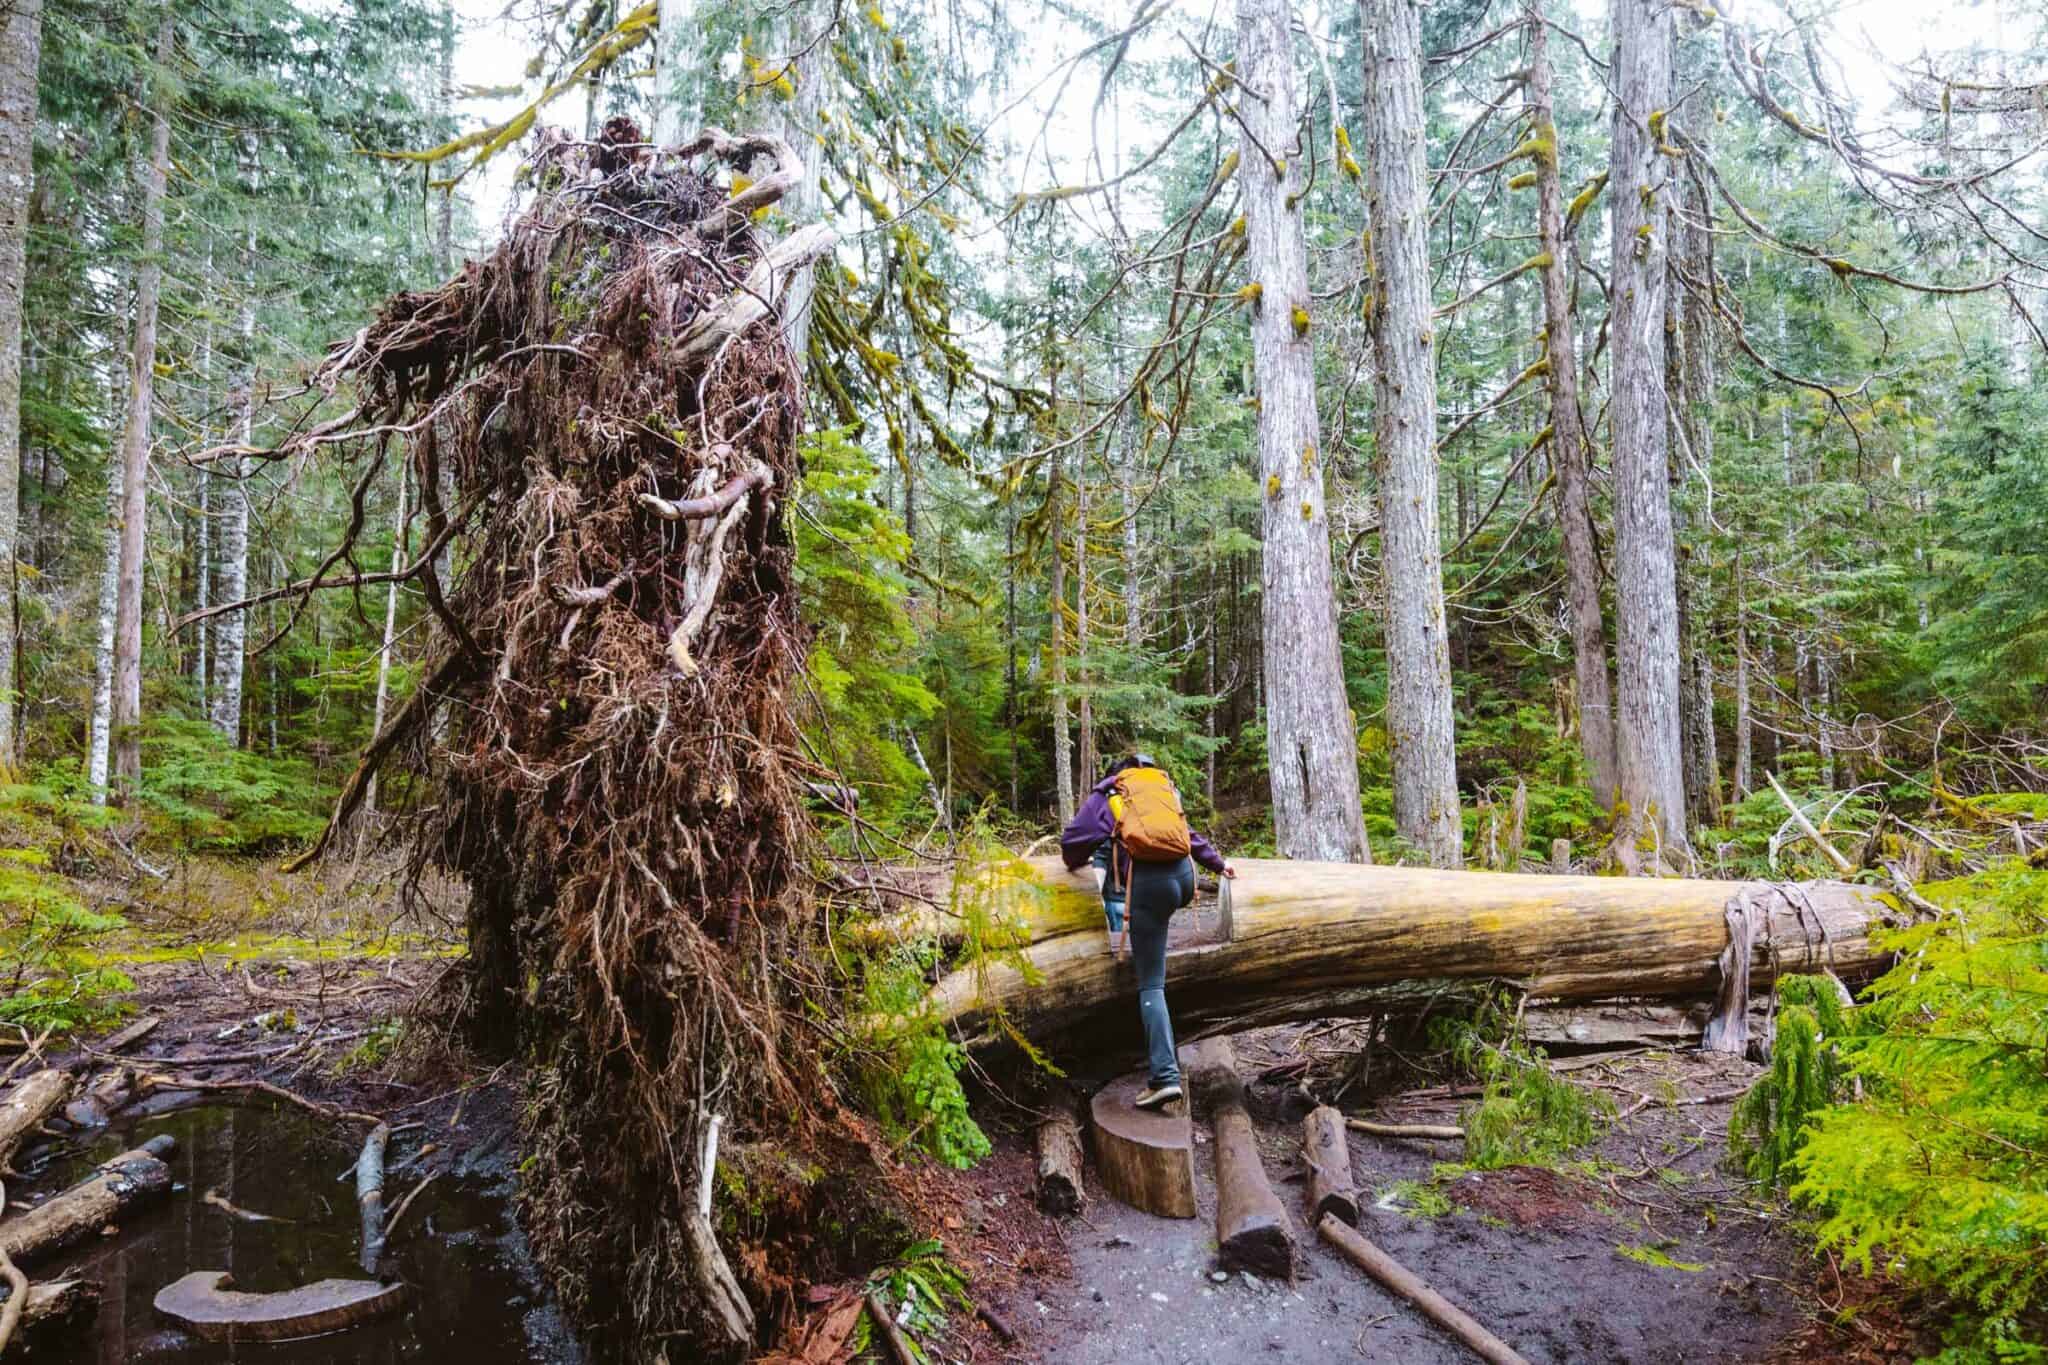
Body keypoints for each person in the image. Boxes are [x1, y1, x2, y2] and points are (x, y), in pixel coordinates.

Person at [1060, 753, 1236, 1110]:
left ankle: (1165, 1077)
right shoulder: (1162, 789)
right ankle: (1170, 1036)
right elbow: (1186, 835)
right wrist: (1219, 864)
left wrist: (1075, 862)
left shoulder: (1111, 792)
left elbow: (1072, 842)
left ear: (1118, 774)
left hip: (1150, 886)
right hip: (1184, 880)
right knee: (1155, 942)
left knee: (1151, 984)